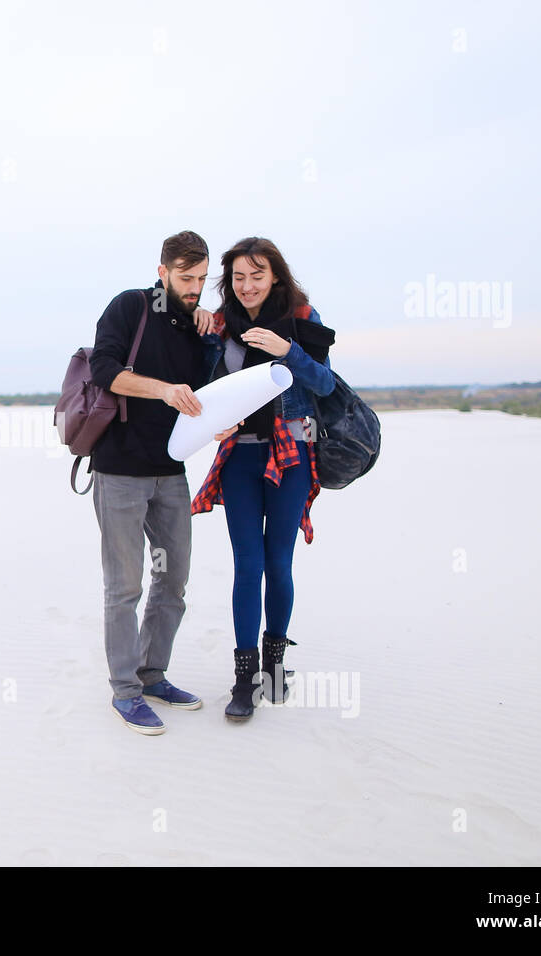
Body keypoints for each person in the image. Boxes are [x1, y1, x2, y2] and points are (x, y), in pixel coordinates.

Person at [88, 230, 238, 735]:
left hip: (171, 471)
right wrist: (163, 391)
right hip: (119, 469)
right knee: (124, 587)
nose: (195, 287)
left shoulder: (197, 326)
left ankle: (153, 675)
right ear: (162, 272)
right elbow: (104, 370)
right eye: (185, 277)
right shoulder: (130, 307)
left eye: (201, 278)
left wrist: (219, 417)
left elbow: (207, 395)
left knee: (172, 580)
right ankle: (126, 692)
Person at [190, 237, 336, 722]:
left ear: (274, 276)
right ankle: (244, 678)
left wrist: (288, 349)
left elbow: (325, 384)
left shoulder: (302, 317)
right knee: (247, 565)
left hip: (292, 455)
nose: (248, 285)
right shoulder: (220, 326)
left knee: (279, 562)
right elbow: (207, 389)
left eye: (258, 275)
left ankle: (275, 664)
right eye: (238, 277)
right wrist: (215, 420)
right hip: (240, 459)